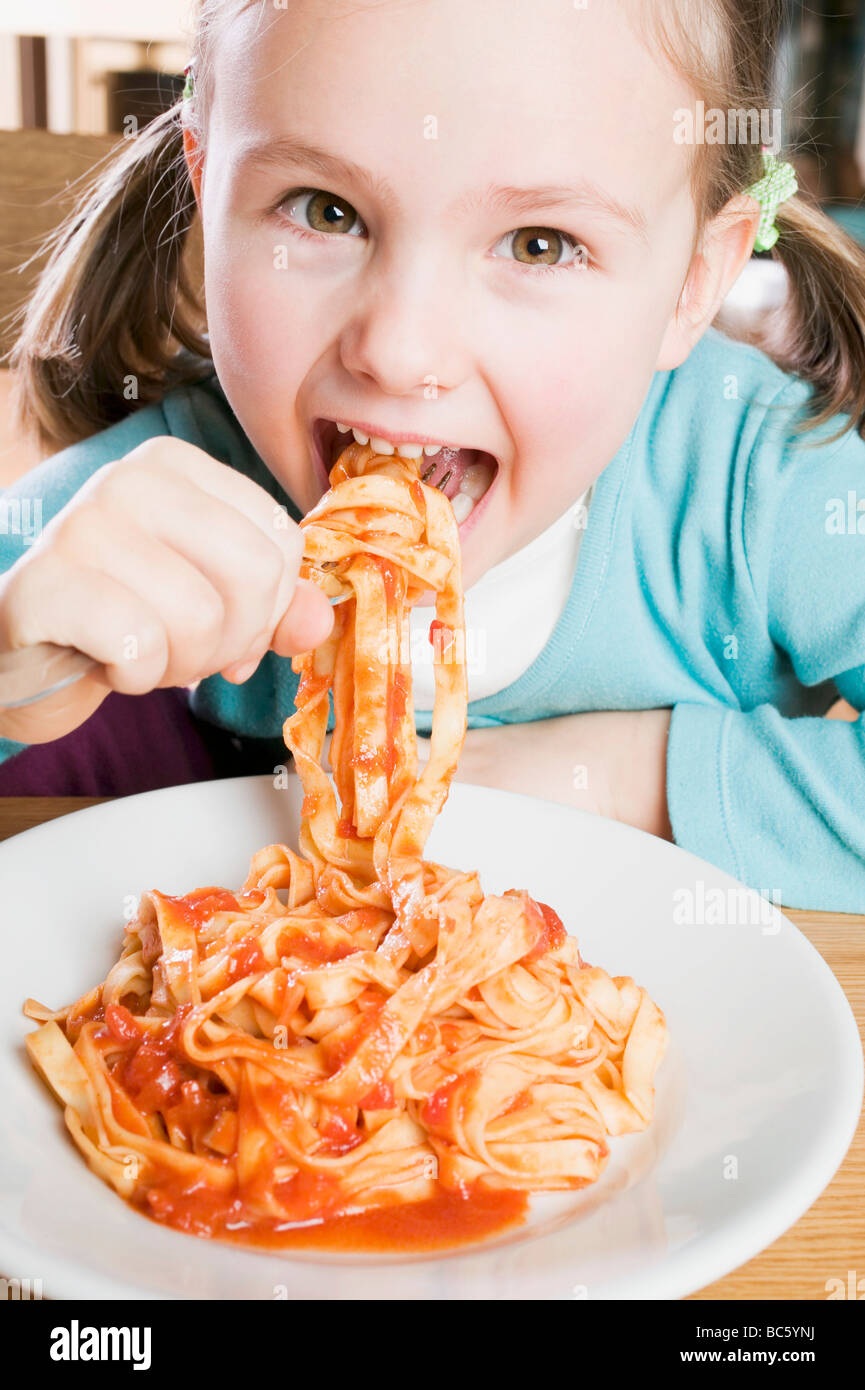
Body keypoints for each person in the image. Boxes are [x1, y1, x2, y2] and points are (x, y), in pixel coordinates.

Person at [1, 0, 864, 911]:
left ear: (695, 282)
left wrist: (627, 777)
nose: (399, 352)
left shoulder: (762, 483)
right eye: (325, 212)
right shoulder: (164, 493)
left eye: (541, 244)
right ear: (206, 191)